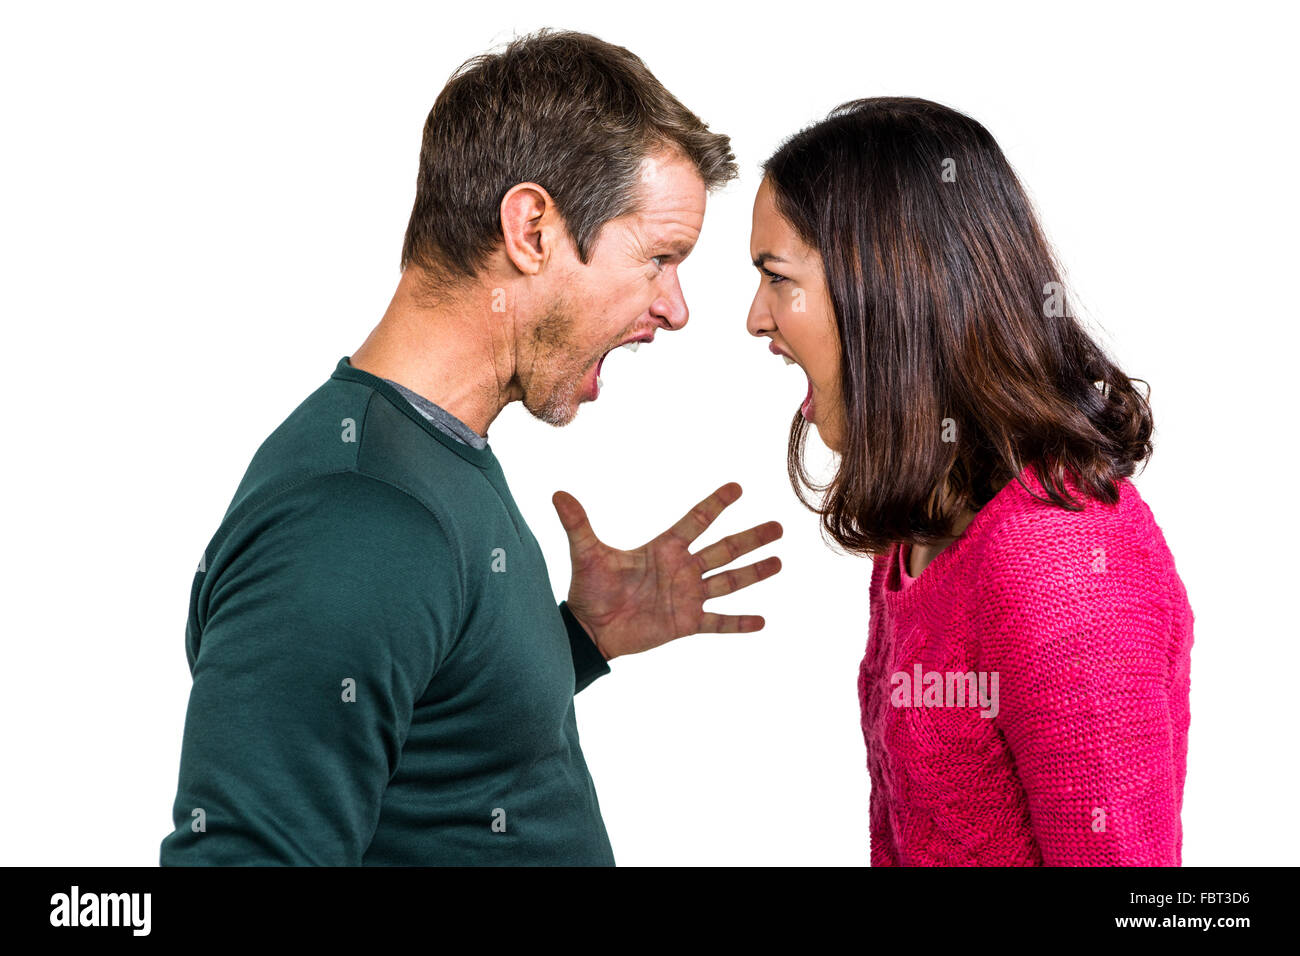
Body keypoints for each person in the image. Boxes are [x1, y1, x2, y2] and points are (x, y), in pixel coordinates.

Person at [160, 29, 783, 866]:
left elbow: (430, 744)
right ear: (531, 228)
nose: (676, 309)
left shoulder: (431, 459)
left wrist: (580, 640)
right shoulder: (356, 518)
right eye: (659, 259)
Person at [746, 96, 1194, 865]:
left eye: (777, 278)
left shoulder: (1062, 564)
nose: (757, 319)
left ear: (888, 289)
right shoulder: (921, 530)